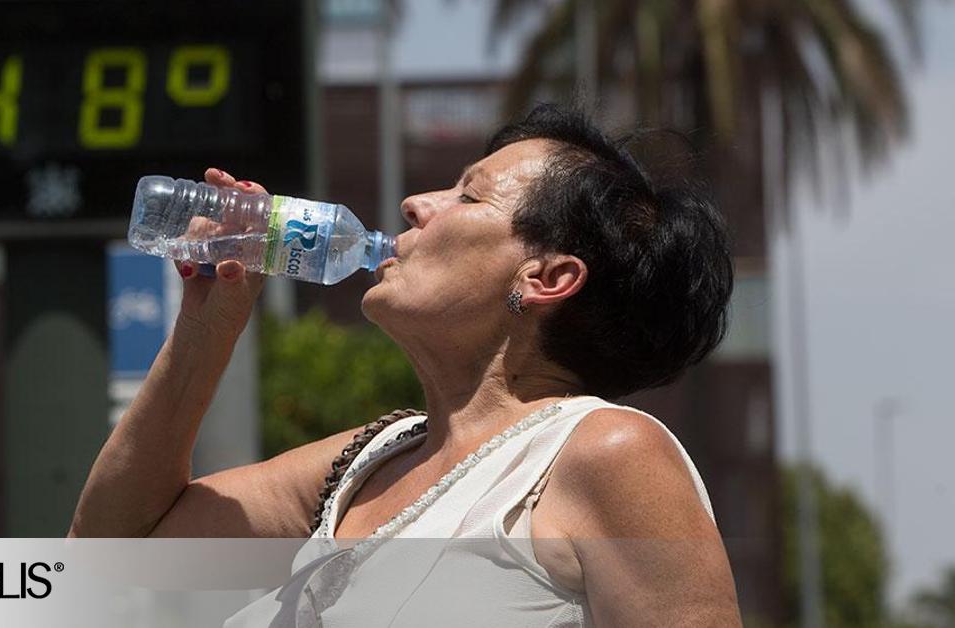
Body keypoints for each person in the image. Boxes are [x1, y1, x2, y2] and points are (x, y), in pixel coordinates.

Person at [69, 103, 742, 626]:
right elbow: (116, 550)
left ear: (547, 277)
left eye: (469, 197)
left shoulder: (606, 454)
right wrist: (207, 326)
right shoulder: (365, 462)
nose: (416, 204)